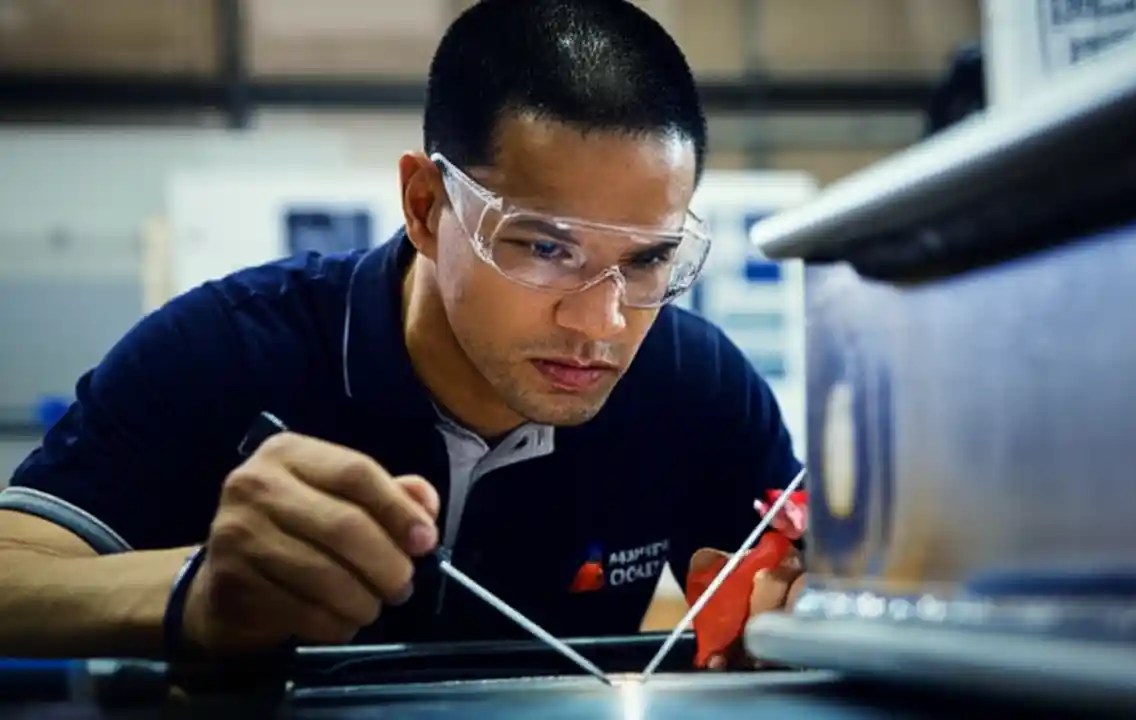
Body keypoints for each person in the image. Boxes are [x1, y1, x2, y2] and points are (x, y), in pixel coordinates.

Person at [0, 0, 804, 666]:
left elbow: (809, 577)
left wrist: (800, 613)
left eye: (647, 260)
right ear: (425, 206)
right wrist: (195, 590)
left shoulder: (692, 386)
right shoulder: (230, 350)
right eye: (547, 248)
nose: (601, 323)